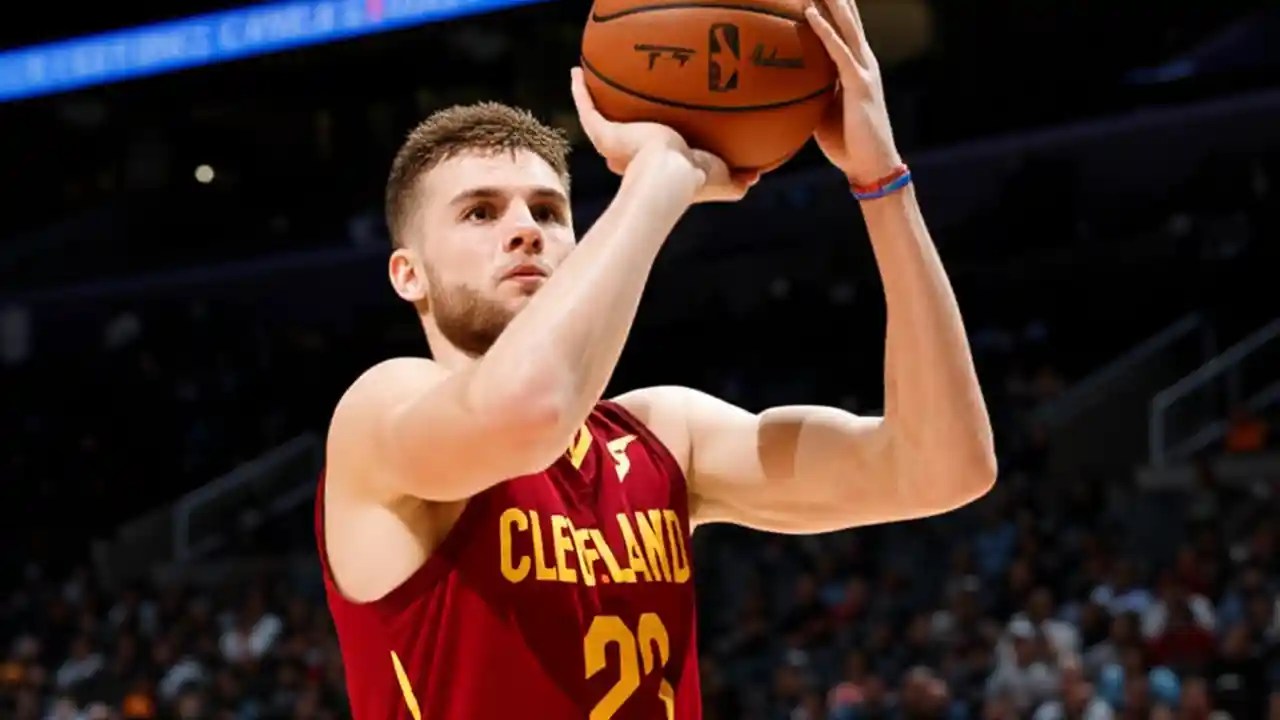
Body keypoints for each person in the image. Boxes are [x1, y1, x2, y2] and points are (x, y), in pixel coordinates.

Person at [315, 0, 996, 717]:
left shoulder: (664, 439)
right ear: (407, 275)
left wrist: (881, 181)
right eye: (480, 212)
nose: (524, 232)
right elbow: (528, 412)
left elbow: (944, 467)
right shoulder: (379, 414)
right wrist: (663, 174)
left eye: (548, 212)